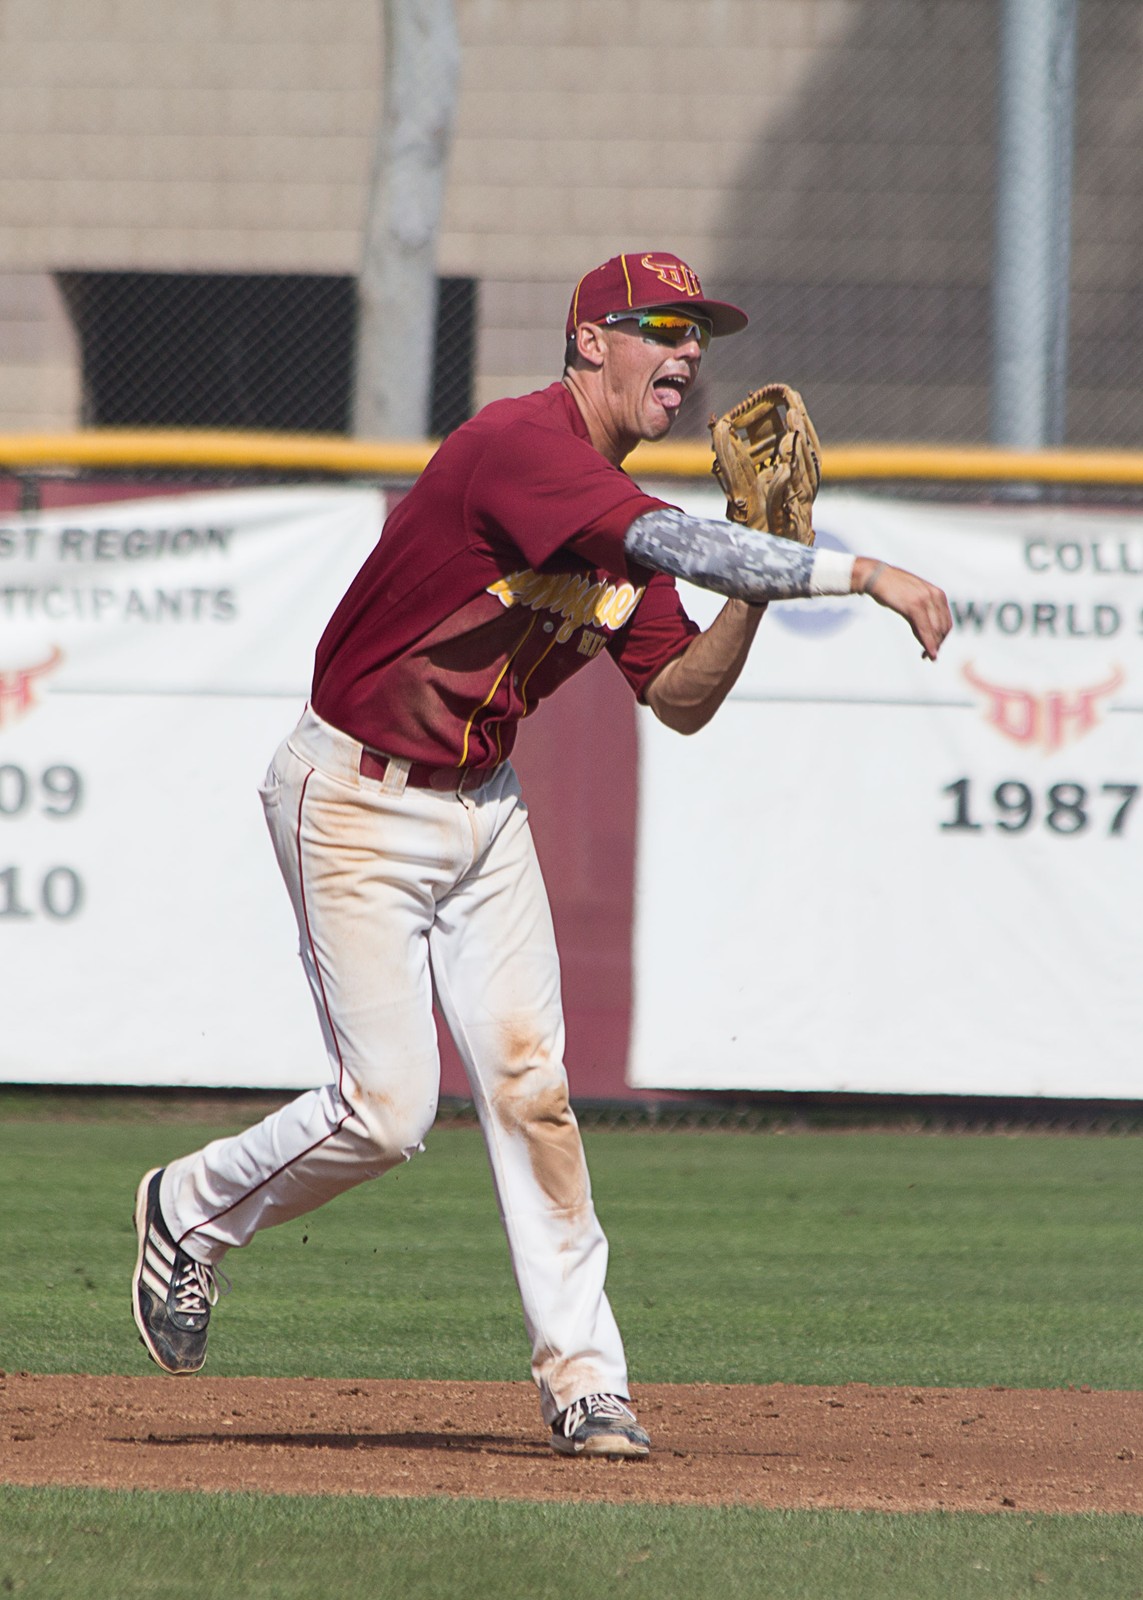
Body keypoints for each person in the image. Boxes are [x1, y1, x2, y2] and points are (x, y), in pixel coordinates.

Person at [131, 251, 951, 1459]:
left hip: (482, 808)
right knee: (389, 1110)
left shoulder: (626, 530)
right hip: (356, 796)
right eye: (660, 329)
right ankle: (188, 1209)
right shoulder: (517, 449)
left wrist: (756, 594)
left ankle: (586, 1382)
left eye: (698, 337)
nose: (687, 354)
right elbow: (676, 542)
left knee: (534, 1090)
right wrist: (859, 571)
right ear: (588, 342)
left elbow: (677, 695)